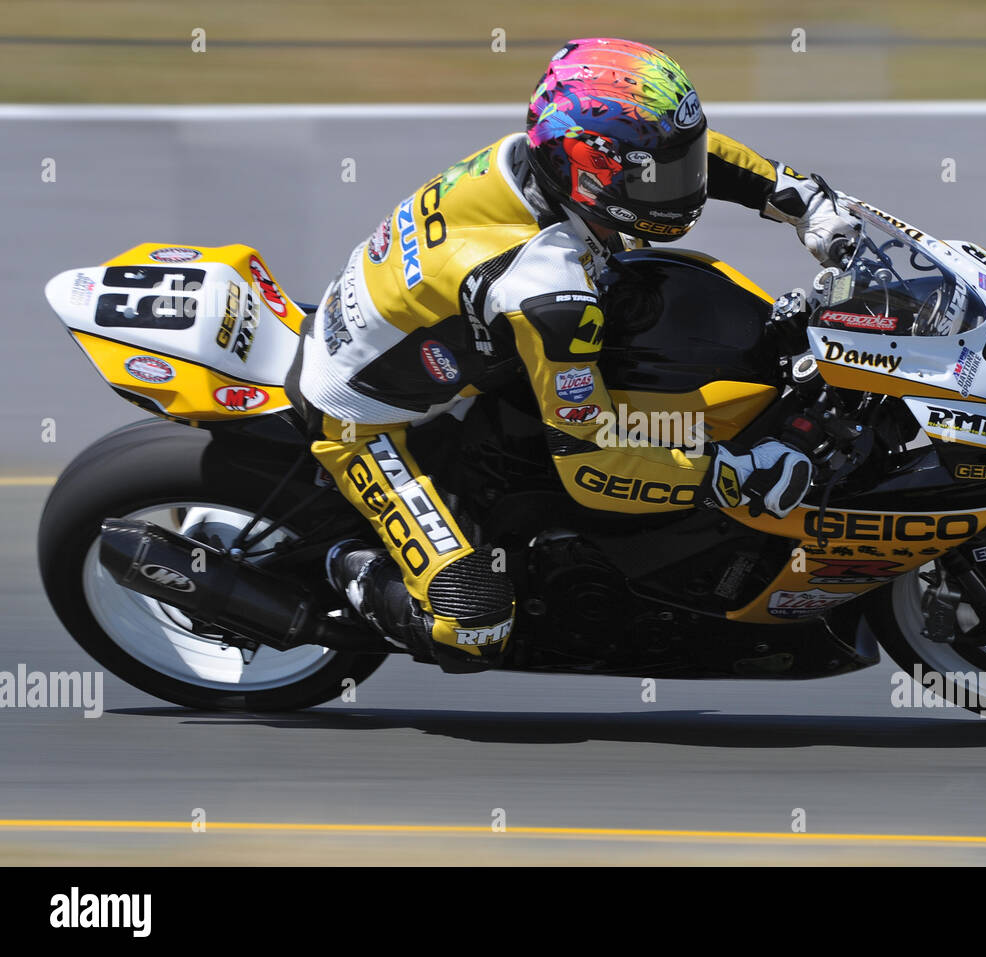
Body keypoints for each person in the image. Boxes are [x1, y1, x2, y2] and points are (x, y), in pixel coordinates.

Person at [287, 37, 861, 670]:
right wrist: (728, 473)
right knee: (474, 626)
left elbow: (688, 155)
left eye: (680, 161)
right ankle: (346, 564)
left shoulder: (535, 158)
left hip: (445, 340)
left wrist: (799, 197)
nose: (687, 182)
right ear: (589, 170)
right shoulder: (547, 288)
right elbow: (590, 462)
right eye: (660, 173)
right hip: (364, 421)